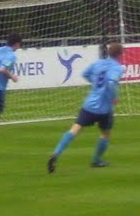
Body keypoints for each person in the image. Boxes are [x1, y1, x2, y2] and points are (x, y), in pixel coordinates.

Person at [47, 41, 124, 172]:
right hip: (104, 108)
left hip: (89, 105)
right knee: (105, 133)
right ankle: (96, 160)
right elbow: (111, 83)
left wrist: (94, 84)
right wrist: (114, 97)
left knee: (74, 130)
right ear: (120, 54)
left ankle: (56, 153)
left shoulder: (98, 63)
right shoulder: (118, 67)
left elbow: (85, 74)